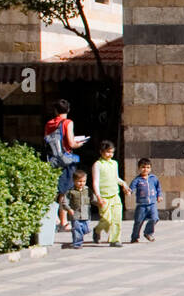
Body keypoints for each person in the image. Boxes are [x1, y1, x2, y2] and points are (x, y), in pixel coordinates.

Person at [44, 99, 86, 230]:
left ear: (55, 110)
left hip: (52, 160)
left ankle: (53, 217)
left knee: (53, 190)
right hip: (65, 161)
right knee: (64, 191)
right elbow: (71, 143)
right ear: (68, 110)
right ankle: (63, 221)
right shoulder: (68, 122)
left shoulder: (49, 123)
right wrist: (80, 143)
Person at [92, 140, 129, 248]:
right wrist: (98, 196)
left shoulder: (114, 163)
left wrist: (124, 185)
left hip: (115, 195)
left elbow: (116, 178)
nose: (110, 154)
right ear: (101, 151)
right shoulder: (97, 164)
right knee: (106, 219)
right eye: (107, 152)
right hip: (104, 196)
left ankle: (115, 239)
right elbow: (95, 181)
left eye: (112, 152)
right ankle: (97, 230)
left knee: (117, 218)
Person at [129, 158, 163, 244]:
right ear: (139, 168)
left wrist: (159, 196)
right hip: (141, 205)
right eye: (143, 167)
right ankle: (134, 237)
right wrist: (128, 192)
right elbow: (131, 189)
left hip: (152, 204)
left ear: (150, 168)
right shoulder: (137, 180)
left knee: (155, 218)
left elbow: (158, 188)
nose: (145, 169)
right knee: (138, 221)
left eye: (148, 167)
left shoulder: (153, 178)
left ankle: (148, 233)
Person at [60, 169, 93, 249]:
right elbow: (64, 202)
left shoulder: (87, 190)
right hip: (75, 215)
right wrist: (69, 209)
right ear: (74, 181)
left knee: (87, 229)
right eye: (79, 181)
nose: (81, 183)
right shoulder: (70, 192)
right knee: (77, 229)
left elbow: (92, 198)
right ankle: (77, 243)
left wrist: (99, 202)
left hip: (86, 214)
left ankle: (77, 233)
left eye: (83, 181)